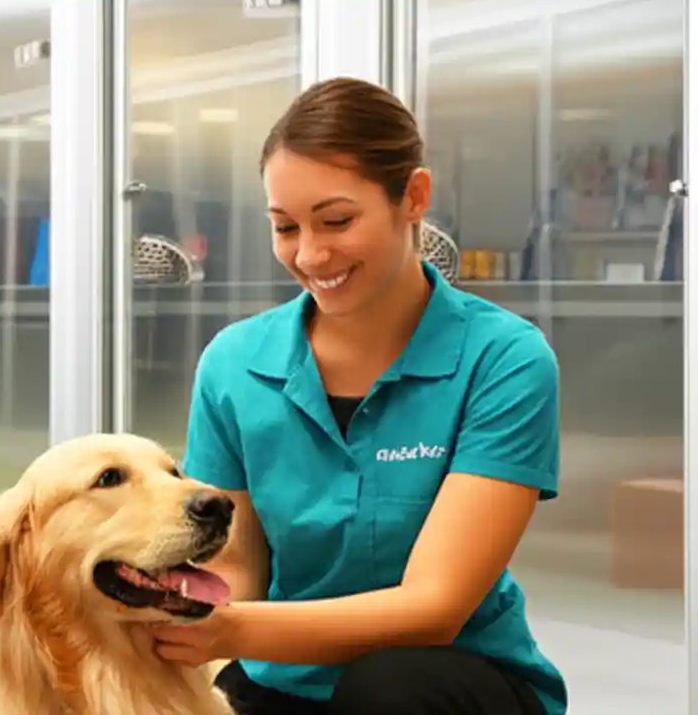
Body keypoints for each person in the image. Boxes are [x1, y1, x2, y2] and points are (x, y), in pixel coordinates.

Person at [146, 77, 567, 715]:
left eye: (337, 220)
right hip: (281, 675)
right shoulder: (233, 366)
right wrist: (178, 611)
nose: (311, 254)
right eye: (285, 226)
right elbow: (234, 575)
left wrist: (231, 631)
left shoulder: (504, 360)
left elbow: (434, 610)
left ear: (414, 198)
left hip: (449, 683)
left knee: (387, 690)